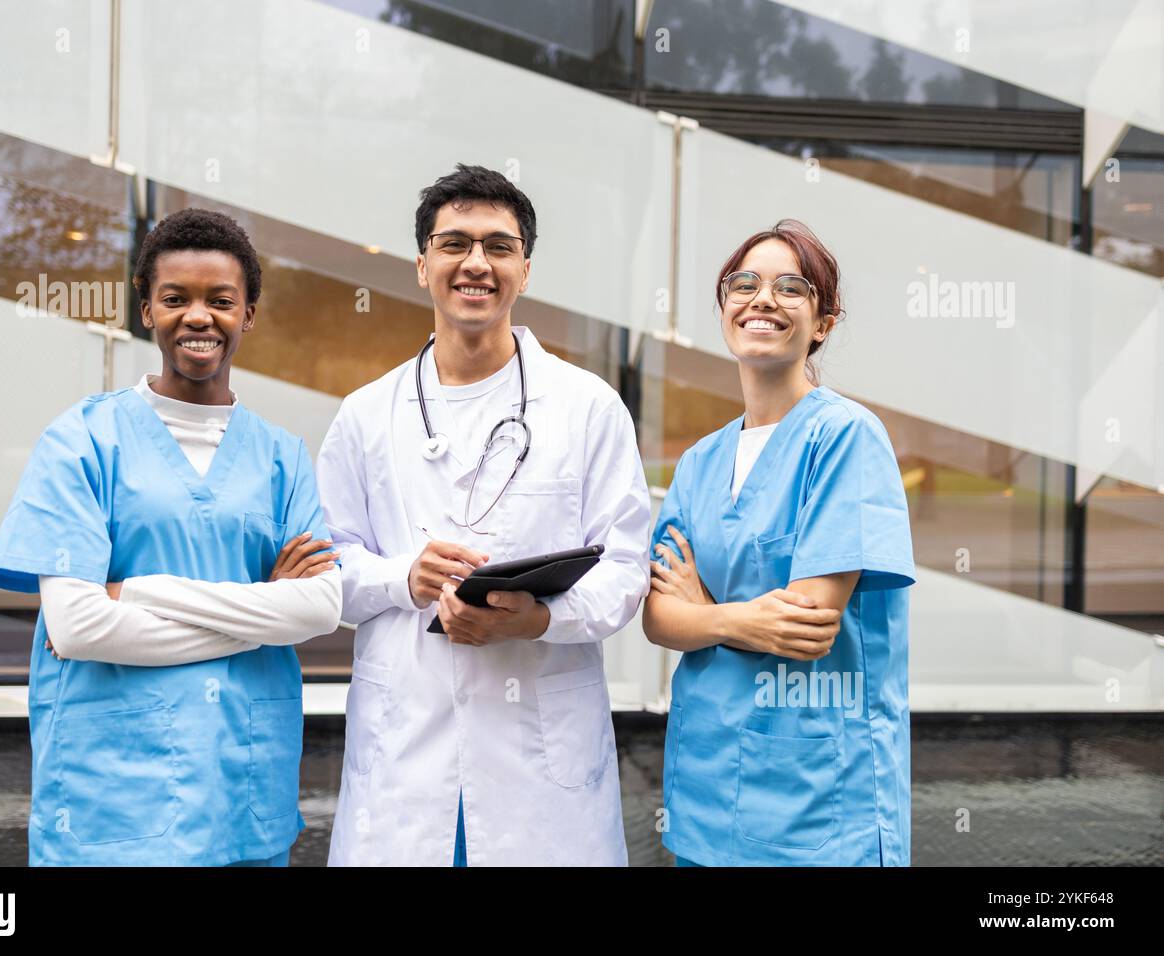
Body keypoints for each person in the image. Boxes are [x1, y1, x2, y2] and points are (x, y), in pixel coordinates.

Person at [0, 208, 342, 866]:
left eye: (221, 300)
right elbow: (79, 628)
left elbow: (319, 607)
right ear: (146, 310)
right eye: (175, 298)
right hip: (113, 804)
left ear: (249, 315)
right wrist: (264, 610)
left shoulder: (282, 457)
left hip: (243, 789)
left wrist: (139, 592)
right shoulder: (83, 442)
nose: (198, 316)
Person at [317, 164, 650, 866]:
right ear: (421, 265)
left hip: (538, 761)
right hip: (406, 754)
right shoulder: (365, 415)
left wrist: (541, 619)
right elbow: (327, 569)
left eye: (499, 247)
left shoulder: (587, 407)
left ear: (525, 270)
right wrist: (403, 578)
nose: (476, 263)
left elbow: (624, 568)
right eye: (454, 244)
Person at [643, 219, 916, 867]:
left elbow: (807, 626)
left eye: (790, 288)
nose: (762, 299)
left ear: (822, 322)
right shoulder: (700, 463)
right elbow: (656, 617)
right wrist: (743, 618)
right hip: (707, 792)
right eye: (745, 284)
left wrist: (704, 614)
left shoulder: (846, 437)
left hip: (819, 801)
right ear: (724, 309)